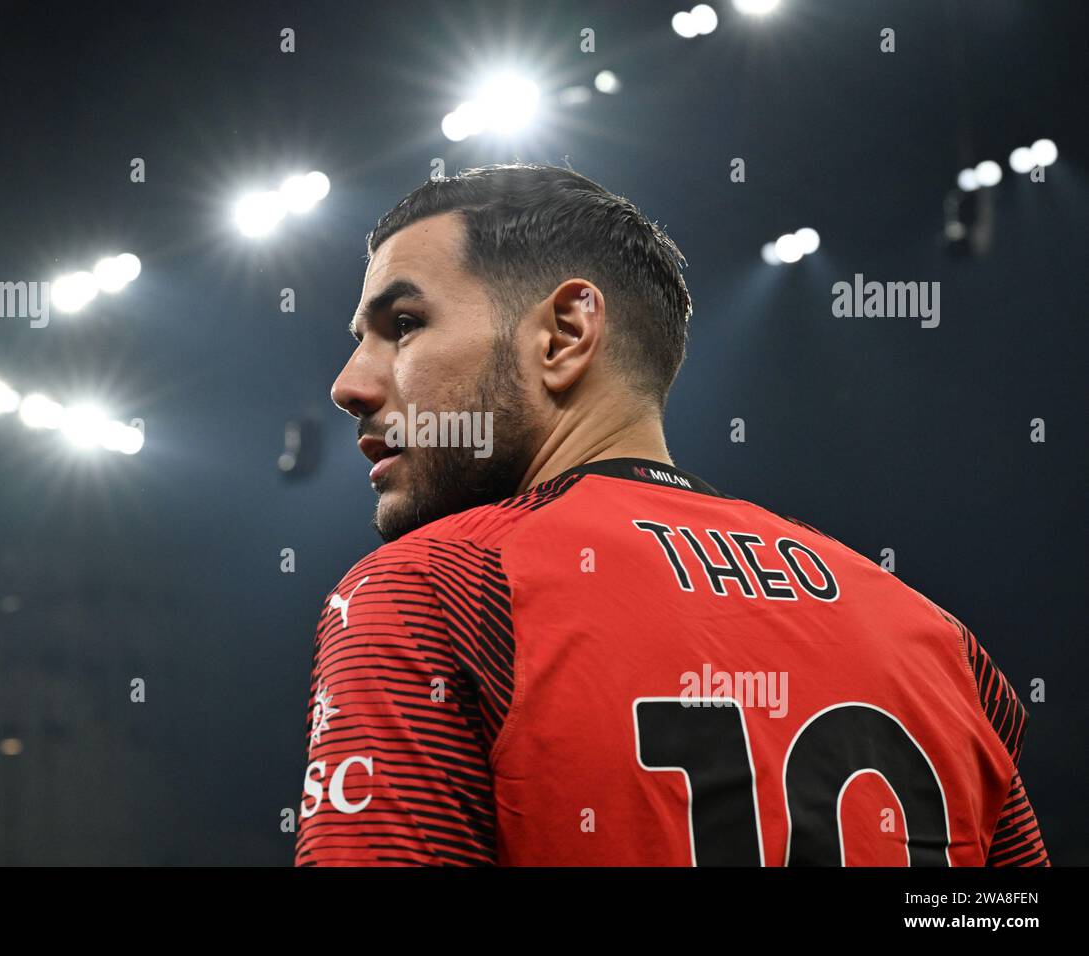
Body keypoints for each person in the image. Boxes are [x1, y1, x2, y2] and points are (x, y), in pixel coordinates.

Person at [294, 163, 1047, 866]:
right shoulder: (938, 640)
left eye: (403, 325)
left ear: (564, 334)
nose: (347, 385)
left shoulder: (433, 591)